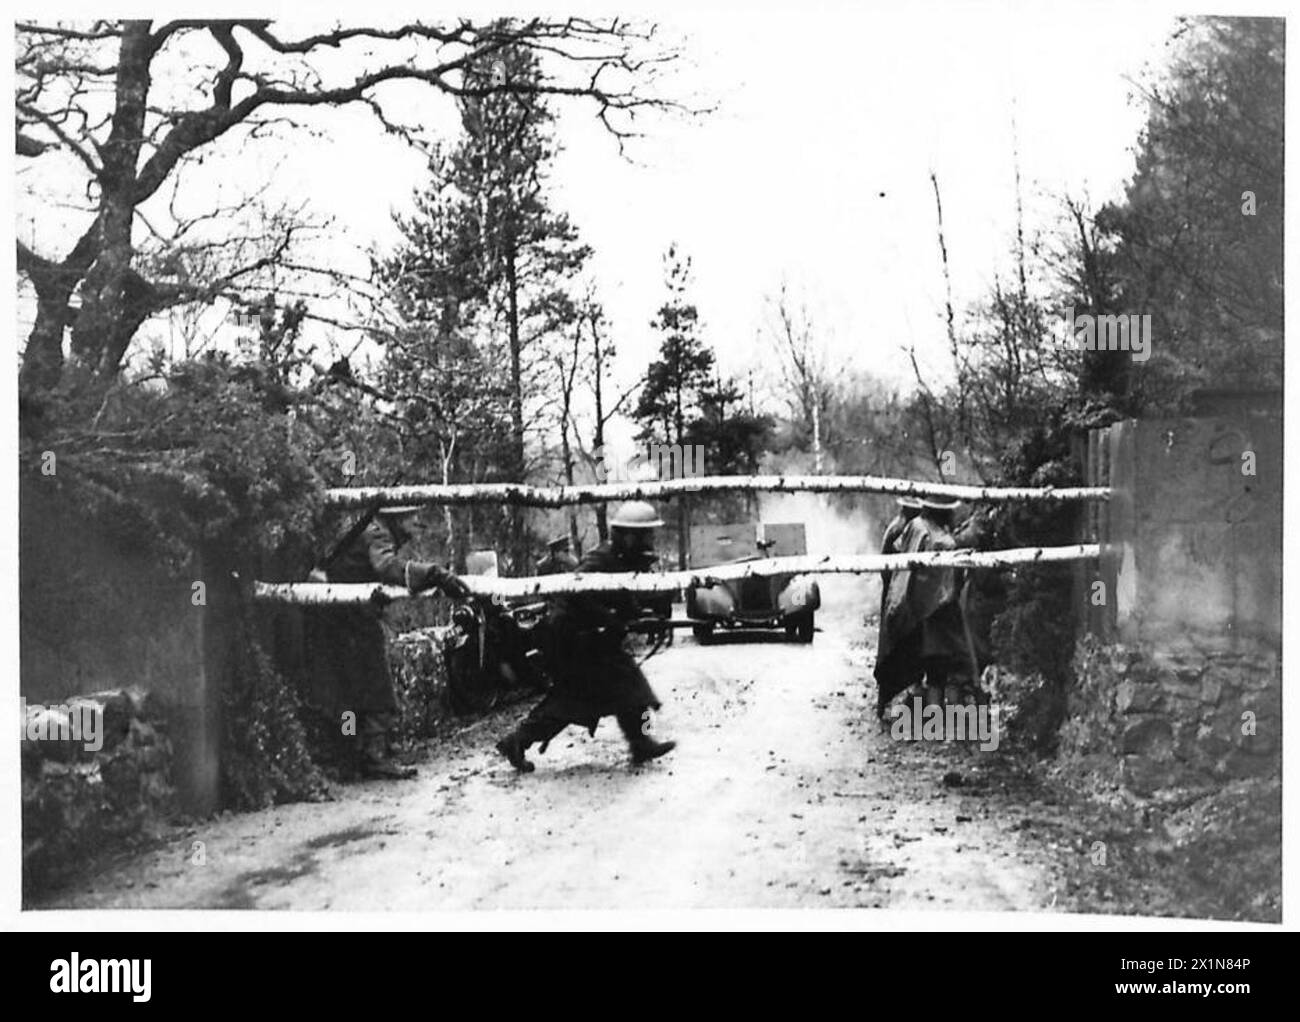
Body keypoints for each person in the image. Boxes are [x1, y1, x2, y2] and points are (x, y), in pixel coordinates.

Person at [496, 500, 677, 772]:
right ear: (629, 536)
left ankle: (639, 742)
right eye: (646, 534)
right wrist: (610, 620)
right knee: (582, 697)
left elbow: (622, 599)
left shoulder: (621, 560)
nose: (650, 540)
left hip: (589, 640)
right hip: (570, 640)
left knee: (616, 687)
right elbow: (575, 594)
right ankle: (517, 740)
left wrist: (642, 617)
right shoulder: (600, 559)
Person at [306, 505, 471, 780]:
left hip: (342, 617)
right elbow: (387, 568)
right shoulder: (378, 533)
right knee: (376, 686)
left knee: (352, 690)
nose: (417, 520)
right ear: (398, 518)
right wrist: (435, 573)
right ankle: (373, 757)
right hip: (352, 619)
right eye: (411, 515)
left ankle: (354, 755)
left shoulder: (368, 528)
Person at [874, 496, 977, 716]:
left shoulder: (914, 526)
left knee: (905, 659)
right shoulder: (944, 543)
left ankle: (898, 706)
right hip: (936, 616)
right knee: (939, 671)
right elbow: (950, 587)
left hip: (907, 605)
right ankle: (935, 718)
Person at [872, 496, 925, 718]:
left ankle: (887, 702)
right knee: (898, 648)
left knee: (894, 649)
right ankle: (888, 702)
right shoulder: (901, 531)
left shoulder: (902, 529)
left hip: (897, 597)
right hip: (900, 598)